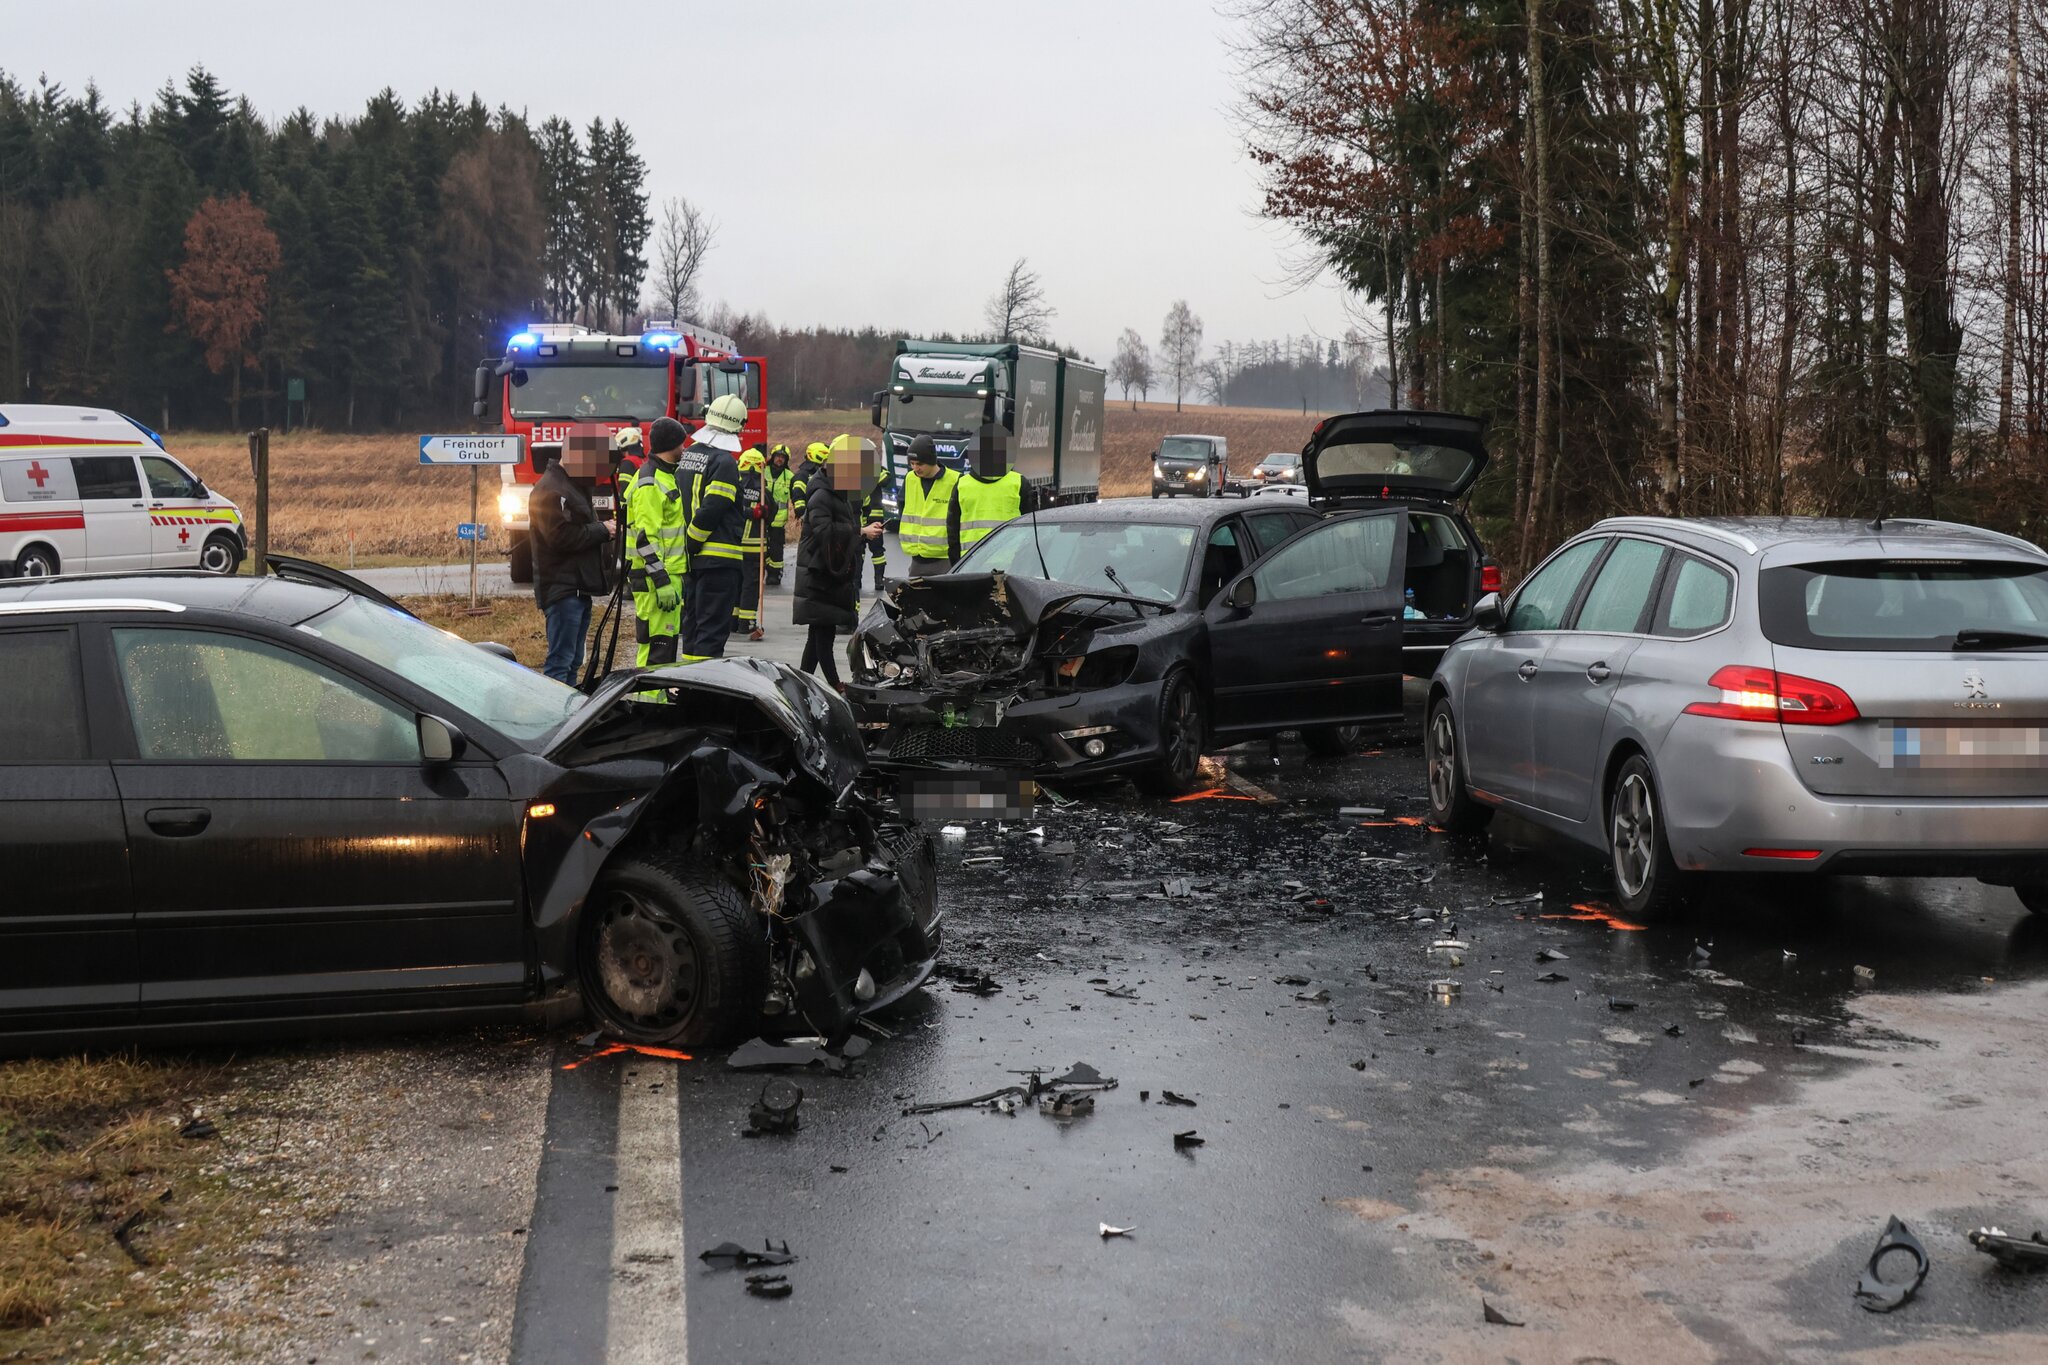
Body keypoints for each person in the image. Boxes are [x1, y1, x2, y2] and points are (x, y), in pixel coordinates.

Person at [528, 435, 615, 684]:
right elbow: (559, 538)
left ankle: (570, 713)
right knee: (561, 661)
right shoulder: (551, 490)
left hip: (577, 589)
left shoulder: (570, 485)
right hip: (562, 589)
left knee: (574, 659)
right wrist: (602, 530)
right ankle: (556, 716)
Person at [791, 440, 877, 688]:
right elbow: (823, 531)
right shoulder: (822, 494)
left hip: (824, 574)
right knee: (823, 636)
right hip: (819, 575)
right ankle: (835, 685)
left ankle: (801, 682)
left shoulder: (835, 492)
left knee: (817, 635)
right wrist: (859, 531)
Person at [673, 392, 749, 661]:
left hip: (691, 562)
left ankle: (687, 684)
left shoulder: (688, 455)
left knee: (692, 628)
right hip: (719, 562)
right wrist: (694, 541)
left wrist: (688, 549)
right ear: (738, 425)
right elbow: (713, 507)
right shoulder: (725, 462)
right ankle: (703, 693)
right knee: (712, 632)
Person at [625, 417, 689, 667]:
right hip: (655, 581)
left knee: (664, 647)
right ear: (670, 445)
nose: (683, 449)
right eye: (680, 444)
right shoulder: (650, 482)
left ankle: (658, 698)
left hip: (665, 578)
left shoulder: (664, 475)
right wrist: (661, 580)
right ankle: (649, 702)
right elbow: (645, 538)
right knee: (655, 647)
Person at [898, 435, 961, 571]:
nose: (915, 468)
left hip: (944, 558)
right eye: (912, 463)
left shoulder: (955, 480)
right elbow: (902, 506)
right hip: (917, 557)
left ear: (932, 461)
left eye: (920, 464)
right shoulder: (910, 478)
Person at [954, 463, 1041, 558]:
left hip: (972, 562)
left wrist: (957, 565)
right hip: (1011, 561)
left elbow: (952, 531)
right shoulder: (1018, 482)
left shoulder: (962, 484)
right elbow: (1033, 528)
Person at [732, 445, 774, 635]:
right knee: (751, 585)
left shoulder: (734, 486)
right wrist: (760, 513)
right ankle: (747, 622)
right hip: (755, 548)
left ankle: (732, 621)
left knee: (735, 582)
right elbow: (771, 517)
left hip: (734, 546)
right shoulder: (764, 492)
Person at [860, 462, 896, 590]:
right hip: (860, 514)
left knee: (877, 549)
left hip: (875, 515)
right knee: (859, 548)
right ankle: (856, 578)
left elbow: (885, 479)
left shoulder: (877, 468)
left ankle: (879, 580)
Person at [765, 444, 794, 585]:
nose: (779, 459)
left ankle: (774, 575)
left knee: (776, 550)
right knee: (761, 547)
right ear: (773, 457)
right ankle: (761, 570)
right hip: (763, 518)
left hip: (778, 521)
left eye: (783, 457)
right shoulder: (763, 471)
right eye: (778, 456)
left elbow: (796, 496)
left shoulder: (789, 476)